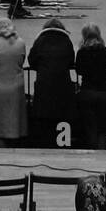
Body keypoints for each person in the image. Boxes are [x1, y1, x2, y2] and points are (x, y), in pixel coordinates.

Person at [29, 17, 76, 145]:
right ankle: (63, 143)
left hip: (44, 84)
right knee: (62, 117)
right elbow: (71, 61)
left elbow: (32, 60)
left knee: (45, 120)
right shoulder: (66, 41)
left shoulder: (40, 41)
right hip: (63, 85)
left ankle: (45, 145)